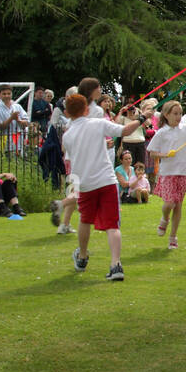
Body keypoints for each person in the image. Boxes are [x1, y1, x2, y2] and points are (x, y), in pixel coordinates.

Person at [63, 94, 141, 281]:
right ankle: (115, 265)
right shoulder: (98, 124)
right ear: (86, 109)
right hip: (106, 181)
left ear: (67, 112)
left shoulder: (67, 136)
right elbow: (125, 130)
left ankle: (82, 257)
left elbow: (71, 158)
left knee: (85, 220)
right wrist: (142, 118)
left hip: (86, 183)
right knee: (112, 225)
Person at [147, 101, 186, 250]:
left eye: (180, 113)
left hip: (184, 171)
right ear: (166, 115)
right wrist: (165, 155)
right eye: (175, 114)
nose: (178, 116)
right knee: (169, 203)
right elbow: (152, 152)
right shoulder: (162, 132)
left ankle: (173, 237)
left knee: (178, 205)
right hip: (168, 172)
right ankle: (164, 218)